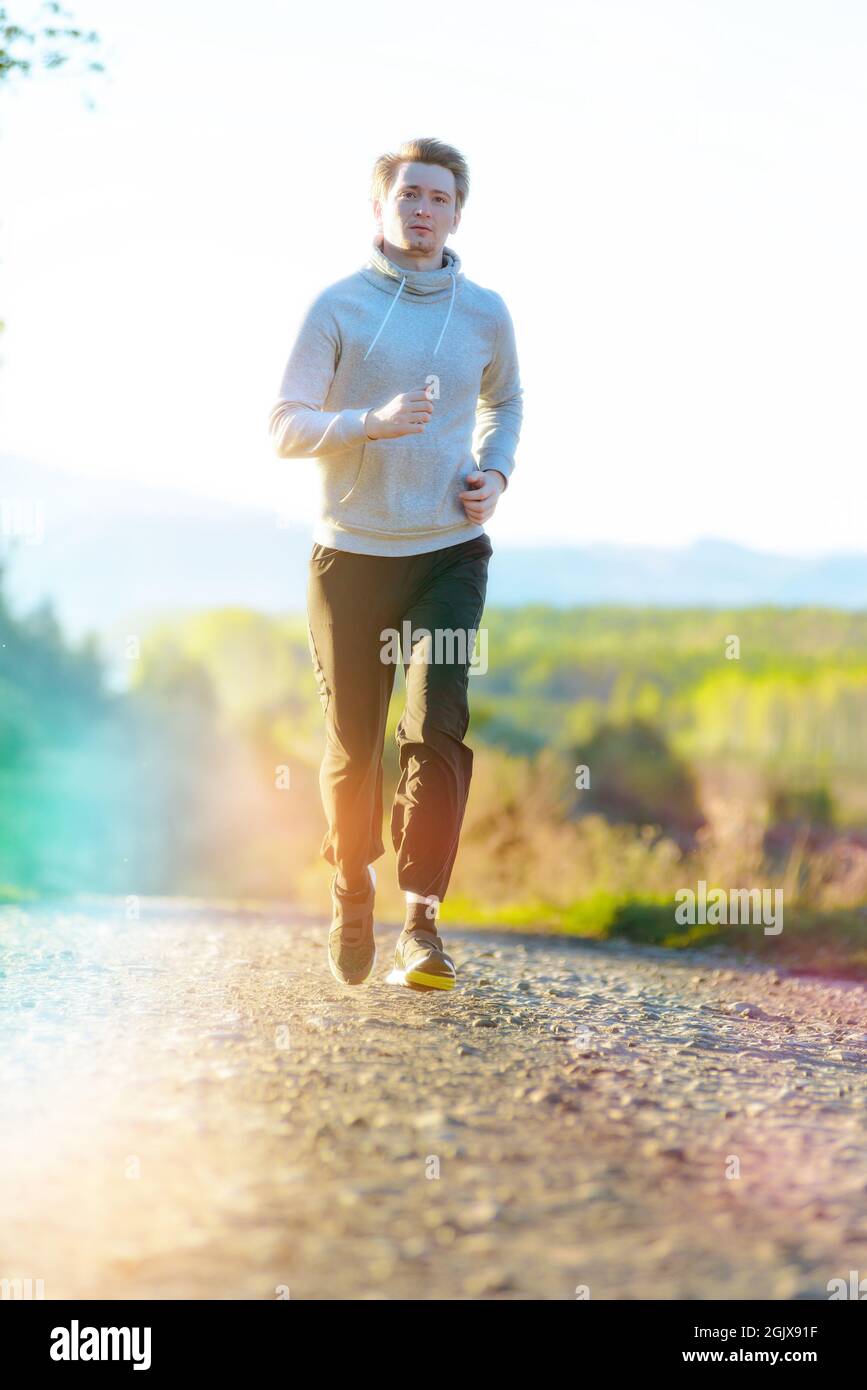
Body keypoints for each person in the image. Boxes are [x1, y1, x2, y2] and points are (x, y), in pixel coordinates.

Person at [268, 137, 522, 991]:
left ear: (457, 212)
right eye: (409, 193)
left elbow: (507, 398)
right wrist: (365, 424)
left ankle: (421, 918)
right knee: (352, 744)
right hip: (349, 556)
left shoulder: (484, 310)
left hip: (448, 553)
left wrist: (496, 470)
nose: (423, 209)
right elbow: (283, 426)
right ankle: (351, 884)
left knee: (435, 726)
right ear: (381, 205)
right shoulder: (337, 306)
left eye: (440, 198)